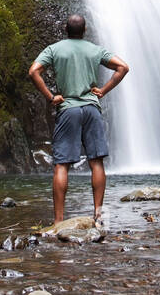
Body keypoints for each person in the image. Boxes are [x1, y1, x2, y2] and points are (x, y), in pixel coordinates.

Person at [29, 14, 129, 224]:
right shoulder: (95, 49)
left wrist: (50, 97)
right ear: (85, 31)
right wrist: (102, 91)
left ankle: (58, 221)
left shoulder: (54, 49)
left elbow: (34, 71)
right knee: (97, 162)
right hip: (92, 108)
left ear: (65, 29)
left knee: (62, 165)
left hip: (68, 109)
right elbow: (123, 67)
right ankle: (98, 214)